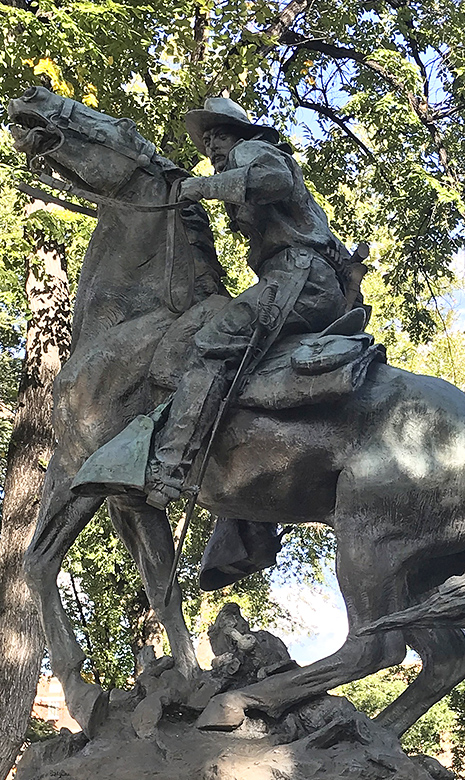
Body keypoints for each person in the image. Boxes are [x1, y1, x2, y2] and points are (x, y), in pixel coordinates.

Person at [145, 97, 352, 509]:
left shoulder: (253, 152)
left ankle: (168, 469)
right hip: (307, 280)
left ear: (241, 134)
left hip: (299, 276)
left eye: (218, 135)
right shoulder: (242, 161)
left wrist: (200, 187)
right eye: (207, 143)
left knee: (212, 345)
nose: (212, 148)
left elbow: (273, 179)